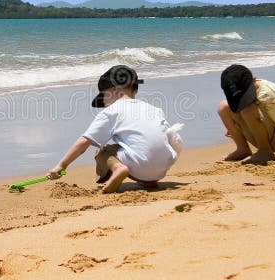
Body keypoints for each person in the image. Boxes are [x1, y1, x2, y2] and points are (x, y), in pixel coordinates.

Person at [47, 65, 179, 194]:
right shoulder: (154, 109)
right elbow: (164, 136)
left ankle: (118, 168)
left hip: (141, 165)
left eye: (104, 95)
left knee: (102, 151)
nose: (105, 102)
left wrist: (61, 165)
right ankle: (150, 181)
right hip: (162, 168)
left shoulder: (112, 111)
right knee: (141, 145)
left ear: (115, 90)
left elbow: (84, 142)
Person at [217, 64, 275, 164]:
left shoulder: (269, 94)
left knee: (247, 109)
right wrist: (235, 125)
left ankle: (265, 152)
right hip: (259, 133)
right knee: (223, 107)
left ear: (254, 80)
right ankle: (242, 149)